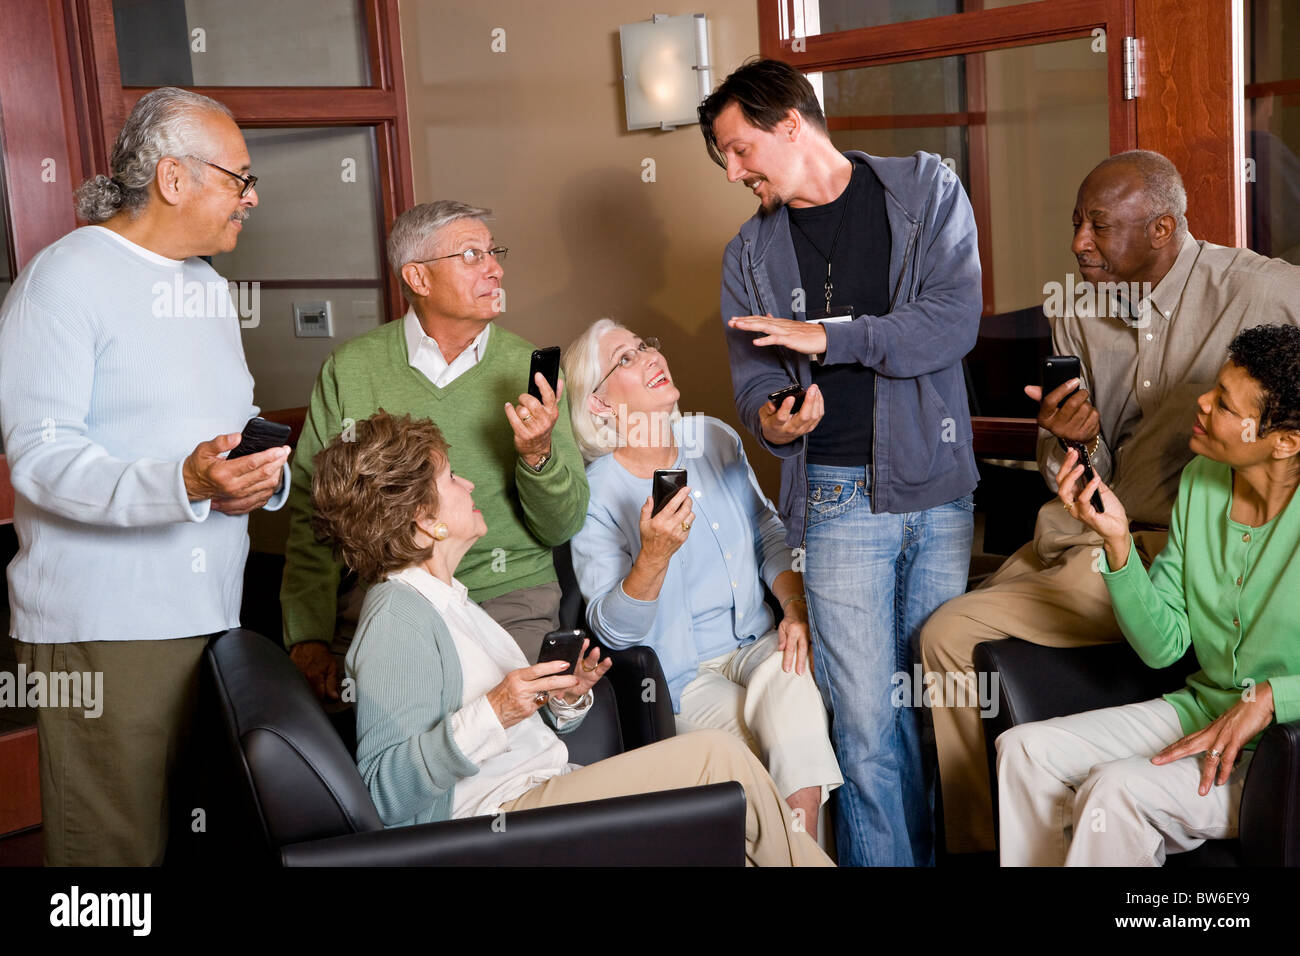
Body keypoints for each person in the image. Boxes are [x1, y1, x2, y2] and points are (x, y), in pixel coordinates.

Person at [919, 150, 1300, 855]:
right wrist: (1072, 444)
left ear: (1162, 229)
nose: (1078, 244)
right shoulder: (1082, 304)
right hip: (1092, 534)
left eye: (1097, 226)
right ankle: (995, 844)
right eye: (1076, 223)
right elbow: (1077, 465)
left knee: (947, 633)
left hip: (1158, 549)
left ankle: (972, 847)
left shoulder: (1260, 290)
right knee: (956, 632)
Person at [309, 410, 832, 867]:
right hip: (499, 822)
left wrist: (563, 698)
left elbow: (508, 731)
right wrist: (497, 708)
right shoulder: (396, 616)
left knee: (730, 828)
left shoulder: (450, 599)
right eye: (451, 479)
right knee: (718, 761)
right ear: (425, 521)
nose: (469, 486)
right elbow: (383, 791)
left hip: (544, 793)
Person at [699, 58, 981, 866]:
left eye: (740, 148)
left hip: (939, 489)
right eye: (724, 157)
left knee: (937, 709)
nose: (733, 171)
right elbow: (754, 387)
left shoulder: (924, 191)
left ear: (791, 121)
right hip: (832, 498)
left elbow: (951, 321)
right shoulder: (747, 256)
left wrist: (834, 337)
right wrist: (782, 422)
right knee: (862, 721)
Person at [0, 88, 289, 865]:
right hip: (108, 626)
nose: (251, 197)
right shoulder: (63, 281)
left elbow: (230, 422)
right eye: (239, 178)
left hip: (212, 610)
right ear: (173, 177)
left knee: (199, 837)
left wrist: (259, 476)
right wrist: (188, 485)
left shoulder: (208, 289)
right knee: (112, 848)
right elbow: (42, 458)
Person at [997, 324, 1300, 865]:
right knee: (1022, 749)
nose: (1203, 403)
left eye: (1225, 405)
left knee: (1115, 790)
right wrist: (1116, 541)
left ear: (1285, 442)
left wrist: (1276, 697)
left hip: (1284, 755)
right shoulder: (1204, 480)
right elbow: (1164, 645)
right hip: (1201, 711)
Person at [281, 201, 589, 700]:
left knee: (507, 738)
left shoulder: (528, 371)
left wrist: (537, 455)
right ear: (419, 279)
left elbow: (562, 526)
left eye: (494, 252)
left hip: (506, 595)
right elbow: (310, 511)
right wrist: (308, 635)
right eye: (471, 255)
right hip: (383, 596)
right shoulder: (350, 368)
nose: (496, 268)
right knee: (375, 740)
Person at [563, 319, 842, 839]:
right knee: (766, 754)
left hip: (756, 644)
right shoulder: (594, 494)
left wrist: (795, 608)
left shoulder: (714, 437)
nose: (648, 356)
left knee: (794, 687)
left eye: (645, 344)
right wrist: (652, 558)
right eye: (625, 358)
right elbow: (611, 631)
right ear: (599, 404)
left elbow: (767, 532)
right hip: (679, 675)